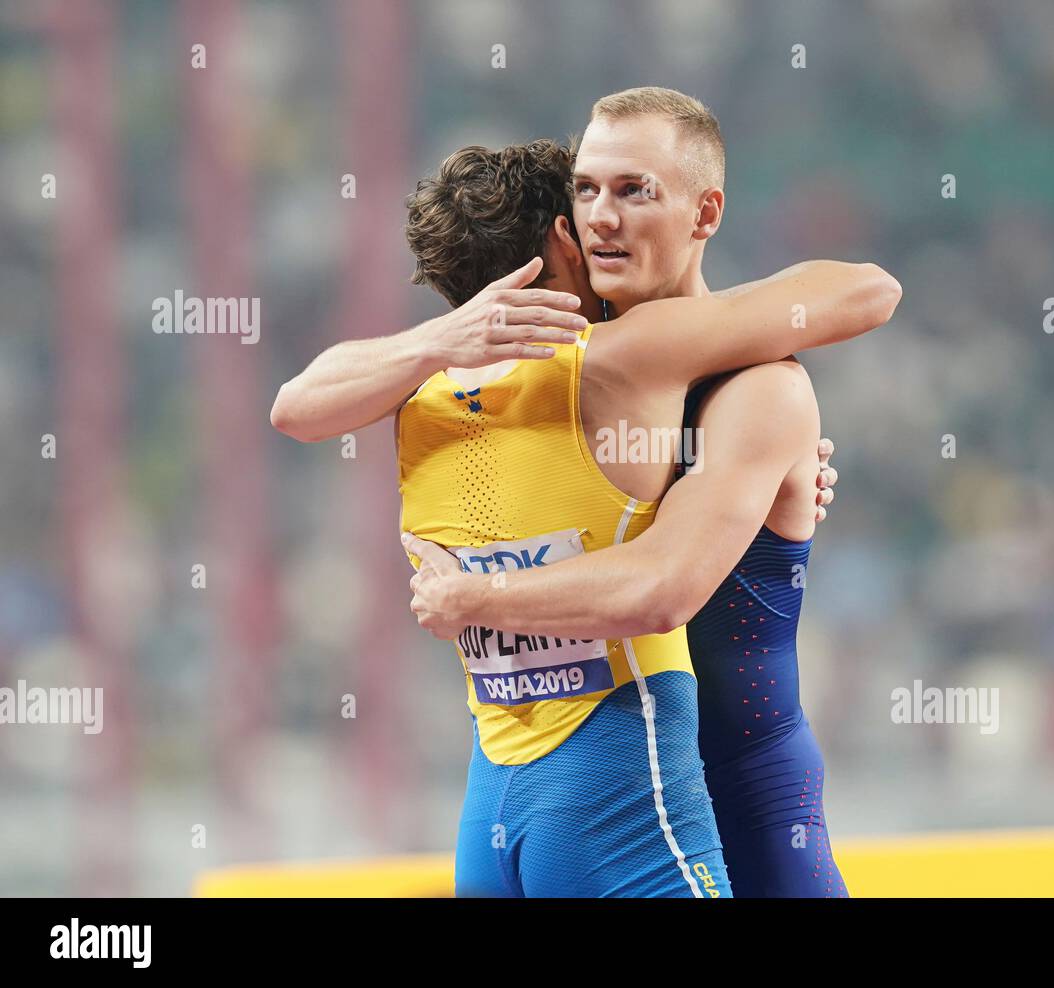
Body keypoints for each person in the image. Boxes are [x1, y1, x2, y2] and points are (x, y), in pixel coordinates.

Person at [273, 89, 900, 896]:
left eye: (634, 191)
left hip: (746, 811)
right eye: (588, 189)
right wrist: (442, 338)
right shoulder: (547, 375)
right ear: (562, 226)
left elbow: (868, 289)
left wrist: (475, 598)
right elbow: (298, 405)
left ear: (705, 213)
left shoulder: (758, 386)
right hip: (608, 789)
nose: (603, 216)